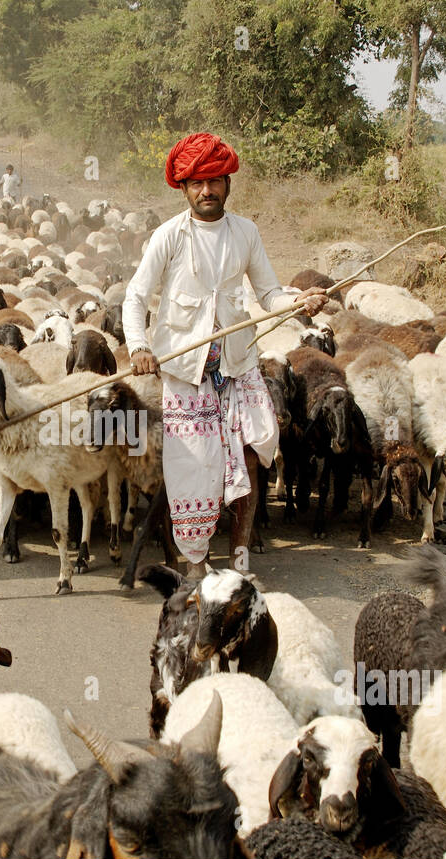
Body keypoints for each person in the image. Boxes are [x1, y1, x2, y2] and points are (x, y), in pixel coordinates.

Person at [122, 132, 328, 579]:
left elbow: (269, 292)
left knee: (253, 451)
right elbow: (135, 298)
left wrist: (298, 301)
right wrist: (139, 346)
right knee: (195, 466)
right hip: (186, 371)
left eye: (214, 180)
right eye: (197, 183)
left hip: (237, 366)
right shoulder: (169, 237)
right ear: (184, 188)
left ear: (228, 183)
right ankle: (197, 564)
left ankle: (238, 561)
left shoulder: (245, 232)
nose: (207, 191)